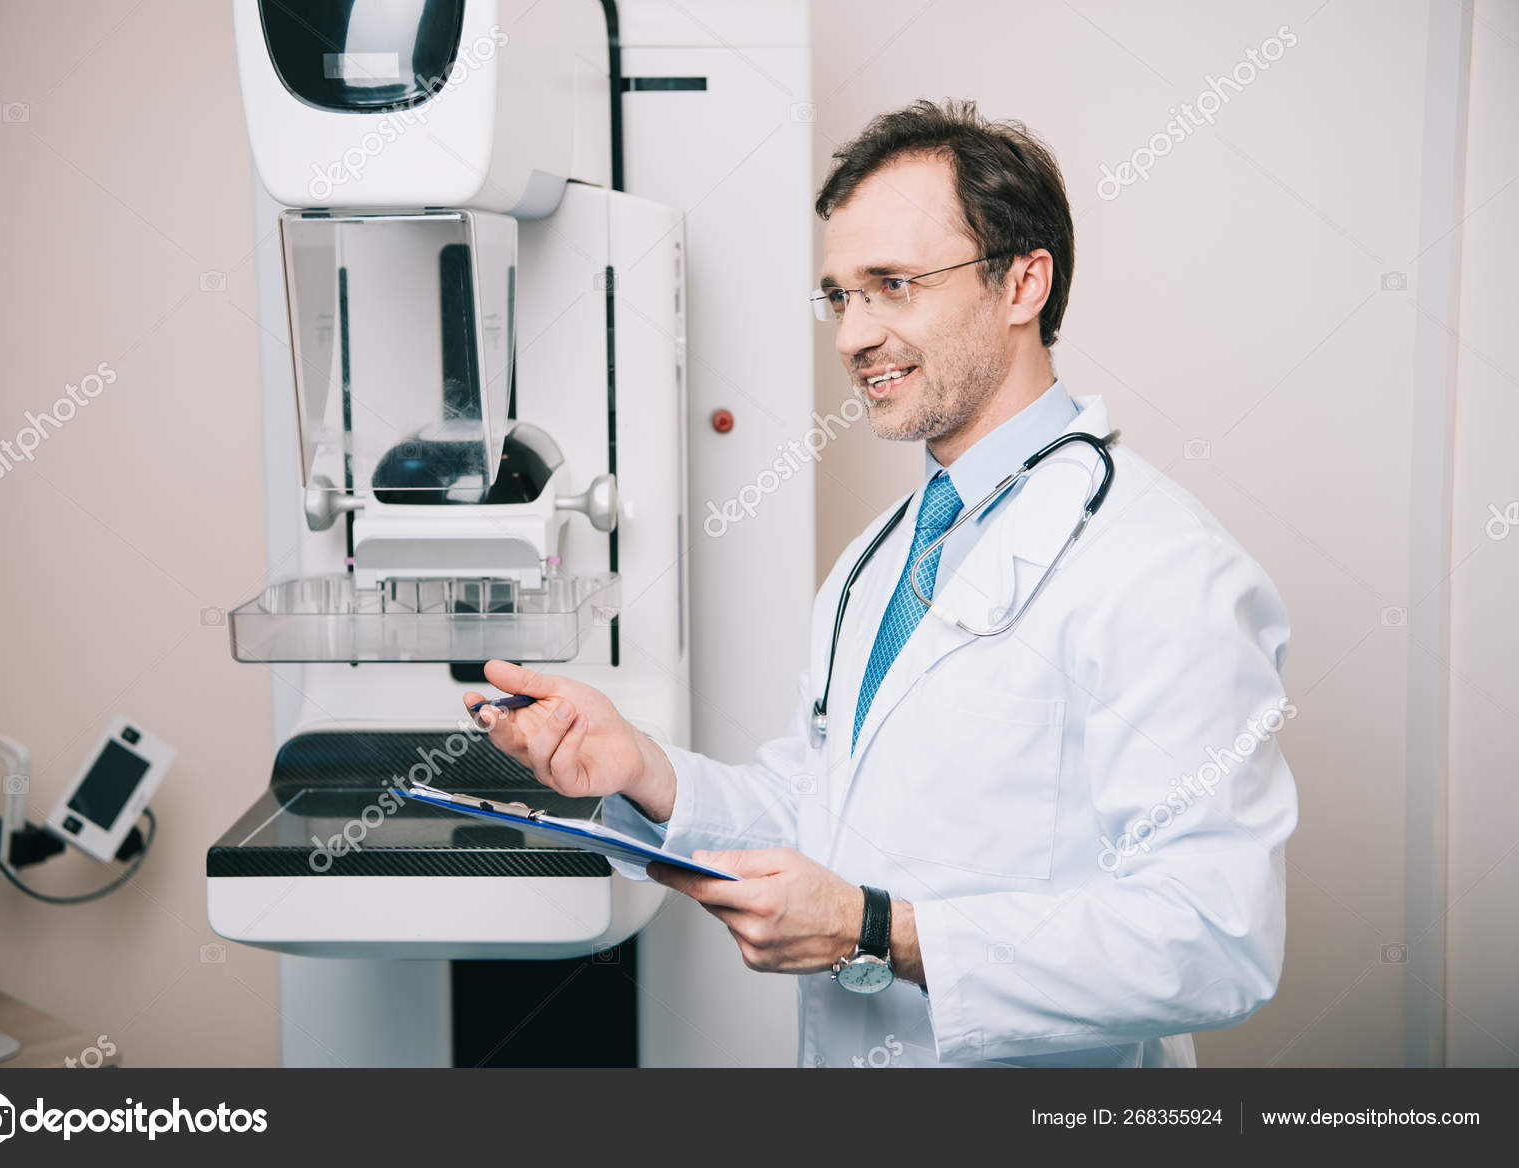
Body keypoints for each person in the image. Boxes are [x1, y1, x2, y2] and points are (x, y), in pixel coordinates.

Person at [466, 99, 1298, 1068]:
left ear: (1023, 283)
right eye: (839, 297)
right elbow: (825, 809)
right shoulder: (879, 557)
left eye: (892, 286)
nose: (852, 336)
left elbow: (1214, 940)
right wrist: (641, 770)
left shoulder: (1161, 566)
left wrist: (879, 932)